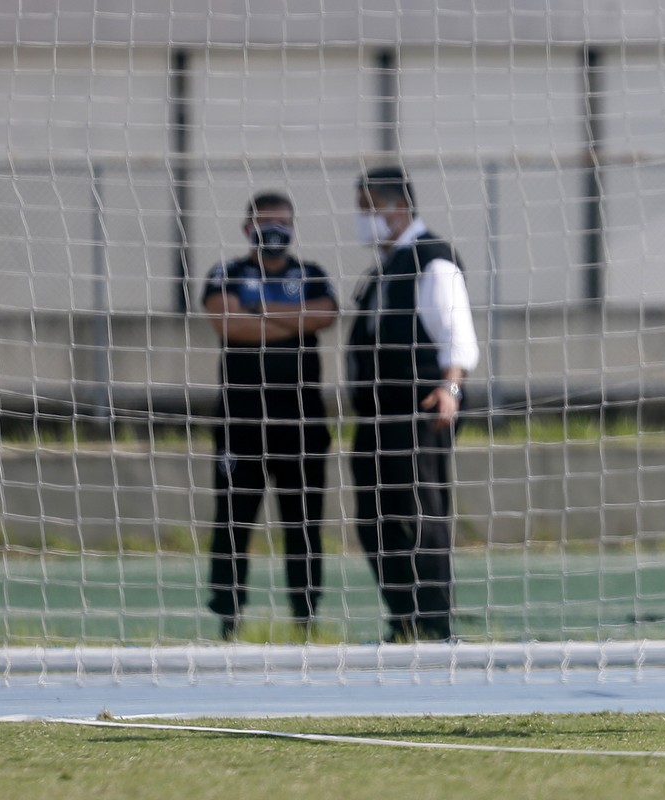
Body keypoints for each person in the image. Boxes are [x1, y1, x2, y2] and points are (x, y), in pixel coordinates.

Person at [347, 165, 480, 643]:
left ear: (397, 207)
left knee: (421, 510)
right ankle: (403, 617)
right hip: (377, 412)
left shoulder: (432, 260)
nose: (362, 219)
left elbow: (456, 334)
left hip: (420, 405)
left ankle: (436, 622)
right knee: (373, 517)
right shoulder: (383, 269)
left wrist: (451, 387)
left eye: (368, 208)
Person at [203, 191, 338, 640]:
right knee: (232, 521)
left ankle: (305, 615)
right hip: (239, 425)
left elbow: (325, 315)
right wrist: (292, 320)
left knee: (303, 523)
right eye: (266, 224)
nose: (275, 232)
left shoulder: (311, 274)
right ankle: (228, 617)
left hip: (302, 424)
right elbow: (228, 323)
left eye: (283, 223)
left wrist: (260, 310)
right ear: (248, 228)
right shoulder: (225, 273)